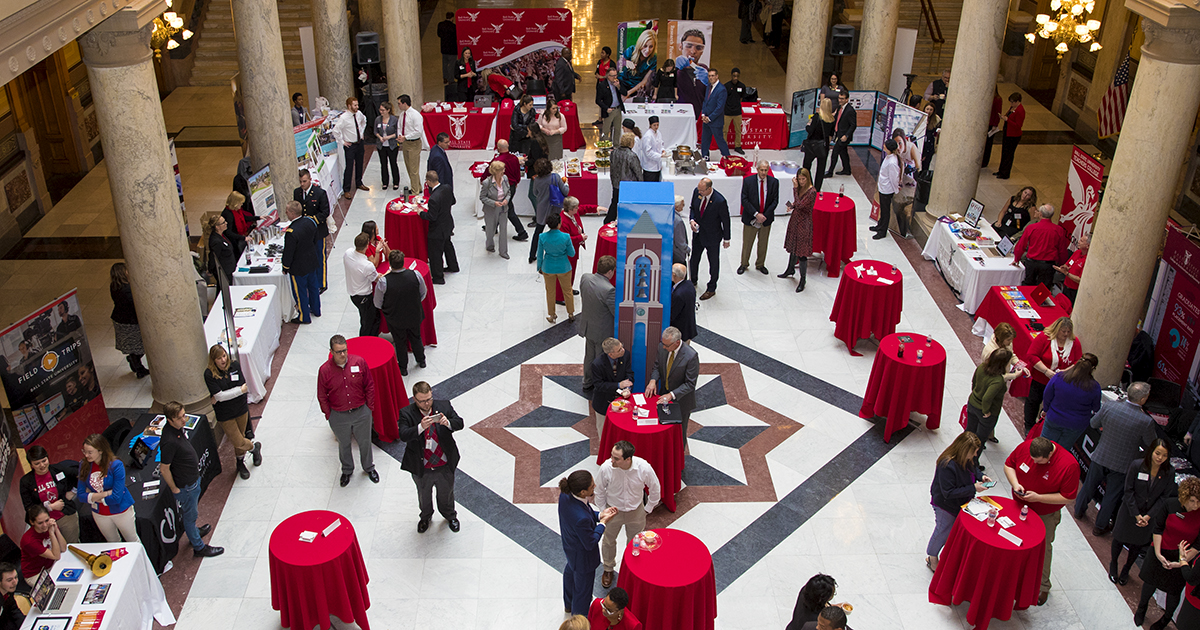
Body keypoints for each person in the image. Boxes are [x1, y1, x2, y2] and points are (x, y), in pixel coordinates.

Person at [1004, 436, 1079, 605]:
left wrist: (1039, 498)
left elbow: (1068, 497)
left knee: (1043, 548)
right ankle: (1013, 575)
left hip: (1045, 514)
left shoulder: (1069, 466)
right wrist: (1015, 484)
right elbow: (1009, 465)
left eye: (1038, 461)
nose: (1034, 464)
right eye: (1032, 459)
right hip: (1019, 506)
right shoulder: (1026, 447)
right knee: (1014, 539)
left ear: (1049, 455)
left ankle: (1043, 586)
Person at [1075, 381, 1157, 533]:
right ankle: (1100, 527)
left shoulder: (1110, 406)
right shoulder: (1146, 421)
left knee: (1088, 486)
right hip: (1122, 464)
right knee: (1111, 497)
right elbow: (1152, 444)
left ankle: (1078, 511)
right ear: (1143, 399)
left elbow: (1093, 423)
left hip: (1101, 455)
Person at [1134, 476, 1200, 628]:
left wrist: (1180, 563)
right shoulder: (1170, 504)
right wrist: (1158, 554)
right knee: (1149, 584)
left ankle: (1165, 620)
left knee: (1173, 593)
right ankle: (1141, 609)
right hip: (1160, 550)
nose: (1196, 505)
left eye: (1199, 501)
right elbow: (1158, 529)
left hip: (1182, 558)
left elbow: (1197, 545)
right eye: (1192, 501)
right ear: (1184, 497)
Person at [159, 401, 223, 557]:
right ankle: (199, 547)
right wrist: (175, 489)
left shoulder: (177, 429)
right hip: (186, 486)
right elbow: (164, 468)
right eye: (180, 418)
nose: (184, 420)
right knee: (189, 517)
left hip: (192, 480)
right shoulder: (169, 441)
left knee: (192, 514)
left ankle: (194, 531)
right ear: (170, 420)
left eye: (184, 415)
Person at [398, 380, 463, 533]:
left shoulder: (444, 406)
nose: (427, 404)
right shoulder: (406, 413)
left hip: (444, 464)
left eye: (429, 399)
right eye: (422, 401)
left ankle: (450, 515)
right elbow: (403, 435)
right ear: (415, 399)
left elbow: (459, 423)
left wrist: (448, 423)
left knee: (446, 494)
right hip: (422, 466)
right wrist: (420, 427)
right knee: (424, 495)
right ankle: (425, 517)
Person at [595, 440, 661, 586]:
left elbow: (655, 488)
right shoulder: (606, 468)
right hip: (613, 511)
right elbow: (599, 490)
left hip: (636, 511)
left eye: (616, 458)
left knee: (635, 542)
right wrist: (603, 511)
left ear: (628, 459)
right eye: (612, 456)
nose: (611, 460)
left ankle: (631, 569)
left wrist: (647, 509)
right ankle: (608, 568)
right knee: (608, 541)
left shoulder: (643, 467)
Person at [1111, 439, 1175, 585]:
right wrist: (1136, 514)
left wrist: (1148, 516)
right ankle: (1113, 564)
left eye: (1164, 455)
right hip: (1129, 511)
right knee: (1119, 538)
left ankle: (1127, 568)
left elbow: (1164, 497)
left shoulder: (1169, 472)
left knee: (1137, 544)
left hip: (1148, 516)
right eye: (1157, 453)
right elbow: (1128, 490)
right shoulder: (1137, 465)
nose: (1160, 458)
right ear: (1151, 451)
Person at [317, 335, 378, 487]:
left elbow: (369, 385)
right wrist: (329, 414)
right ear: (331, 351)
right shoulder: (325, 370)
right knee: (344, 444)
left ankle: (369, 467)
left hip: (361, 412)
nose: (343, 354)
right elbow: (322, 395)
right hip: (338, 415)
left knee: (365, 442)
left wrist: (369, 408)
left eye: (344, 350)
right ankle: (347, 470)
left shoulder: (359, 362)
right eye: (339, 352)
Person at [927, 432, 989, 572]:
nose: (975, 455)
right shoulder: (946, 465)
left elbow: (974, 469)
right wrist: (973, 488)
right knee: (942, 531)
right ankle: (932, 557)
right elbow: (948, 493)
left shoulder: (967, 459)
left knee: (953, 531)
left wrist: (981, 476)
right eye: (974, 452)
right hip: (945, 506)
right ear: (964, 450)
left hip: (962, 502)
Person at [558, 470, 618, 615]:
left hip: (570, 548)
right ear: (583, 492)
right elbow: (590, 542)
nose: (595, 486)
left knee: (570, 574)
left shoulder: (565, 495)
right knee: (583, 593)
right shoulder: (581, 519)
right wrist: (603, 523)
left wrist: (599, 515)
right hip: (583, 558)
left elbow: (584, 511)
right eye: (592, 486)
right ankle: (579, 618)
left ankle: (568, 604)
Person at [204, 344, 263, 480]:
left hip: (240, 409)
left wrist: (225, 395)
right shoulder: (209, 374)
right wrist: (237, 391)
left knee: (240, 436)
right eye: (219, 358)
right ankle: (254, 448)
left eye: (224, 356)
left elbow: (242, 387)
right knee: (237, 440)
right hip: (225, 414)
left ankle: (240, 462)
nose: (223, 360)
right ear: (213, 360)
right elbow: (220, 396)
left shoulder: (234, 366)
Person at [1022, 316, 1082, 435]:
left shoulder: (1074, 342)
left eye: (1068, 331)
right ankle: (1029, 425)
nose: (1066, 334)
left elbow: (1078, 361)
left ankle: (1043, 426)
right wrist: (1046, 371)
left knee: (1052, 405)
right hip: (1041, 379)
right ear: (1056, 329)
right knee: (1033, 401)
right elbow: (1032, 356)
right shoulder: (1044, 338)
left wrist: (1065, 371)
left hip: (1061, 382)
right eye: (1063, 331)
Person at [374, 250, 427, 376]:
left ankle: (403, 368)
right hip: (414, 314)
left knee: (399, 342)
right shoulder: (416, 275)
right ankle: (421, 361)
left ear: (390, 264)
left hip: (395, 318)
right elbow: (423, 293)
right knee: (416, 337)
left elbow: (377, 303)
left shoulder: (383, 282)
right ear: (403, 262)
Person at [78, 433, 138, 543]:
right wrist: (105, 494)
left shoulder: (116, 465)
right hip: (99, 513)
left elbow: (116, 497)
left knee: (132, 541)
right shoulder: (84, 465)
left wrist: (92, 497)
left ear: (100, 451)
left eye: (90, 452)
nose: (86, 455)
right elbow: (81, 495)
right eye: (84, 451)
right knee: (113, 543)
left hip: (121, 511)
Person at [645, 326, 700, 445]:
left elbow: (690, 384)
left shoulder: (691, 356)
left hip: (681, 400)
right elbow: (657, 366)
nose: (664, 347)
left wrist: (671, 395)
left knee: (679, 434)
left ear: (677, 343)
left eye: (667, 345)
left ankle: (678, 455)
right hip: (663, 394)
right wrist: (653, 380)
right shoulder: (662, 347)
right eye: (663, 344)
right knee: (662, 429)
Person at [1040, 352, 1101, 449]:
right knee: (1062, 451)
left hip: (1054, 418)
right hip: (1076, 424)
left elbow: (1047, 395)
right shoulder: (1095, 387)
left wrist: (1045, 409)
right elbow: (1096, 407)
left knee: (1043, 447)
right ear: (1093, 368)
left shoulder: (1059, 377)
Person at [19, 446, 78, 544]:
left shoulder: (59, 469)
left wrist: (73, 491)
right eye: (37, 463)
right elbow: (29, 507)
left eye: (44, 461)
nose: (42, 465)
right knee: (52, 548)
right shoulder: (26, 481)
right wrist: (50, 507)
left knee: (72, 545)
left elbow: (80, 475)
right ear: (31, 465)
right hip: (43, 524)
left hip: (66, 517)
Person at [965, 349, 1013, 471]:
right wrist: (986, 411)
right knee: (979, 440)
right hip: (985, 413)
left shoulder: (981, 367)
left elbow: (974, 382)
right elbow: (987, 398)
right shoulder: (998, 380)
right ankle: (973, 464)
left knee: (969, 433)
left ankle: (962, 457)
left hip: (973, 403)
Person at [579, 256, 617, 395]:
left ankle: (587, 382)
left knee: (589, 356)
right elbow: (615, 312)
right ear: (610, 271)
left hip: (588, 326)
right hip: (602, 331)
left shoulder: (585, 278)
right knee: (600, 359)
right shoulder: (609, 290)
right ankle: (599, 385)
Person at [688, 178, 731, 301]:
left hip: (712, 236)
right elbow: (693, 208)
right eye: (699, 190)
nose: (699, 192)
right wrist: (692, 220)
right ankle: (693, 280)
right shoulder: (697, 192)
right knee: (694, 259)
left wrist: (727, 238)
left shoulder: (720, 201)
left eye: (702, 191)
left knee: (713, 262)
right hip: (698, 234)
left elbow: (725, 220)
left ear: (709, 189)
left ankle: (711, 288)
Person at [1011, 205, 1069, 290]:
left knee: (1027, 288)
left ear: (1040, 214)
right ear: (1052, 215)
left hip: (1031, 263)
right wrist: (1061, 265)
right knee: (1042, 290)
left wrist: (1017, 259)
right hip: (1048, 266)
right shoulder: (1059, 230)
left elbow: (1021, 245)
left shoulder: (1031, 228)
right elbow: (1062, 250)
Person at [282, 200, 322, 324]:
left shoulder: (291, 232)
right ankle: (316, 309)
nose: (286, 213)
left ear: (292, 213)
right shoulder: (310, 221)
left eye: (287, 211)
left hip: (298, 267)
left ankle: (304, 316)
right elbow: (315, 239)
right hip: (311, 261)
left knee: (300, 292)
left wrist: (285, 266)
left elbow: (289, 252)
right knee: (313, 287)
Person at [738, 160, 779, 274]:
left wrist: (764, 215)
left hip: (766, 219)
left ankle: (760, 264)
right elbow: (744, 200)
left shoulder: (774, 182)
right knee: (747, 243)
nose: (763, 172)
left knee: (763, 243)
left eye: (766, 170)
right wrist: (756, 214)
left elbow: (775, 201)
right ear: (757, 169)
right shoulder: (748, 181)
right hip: (751, 217)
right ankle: (744, 264)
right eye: (761, 170)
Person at [109, 262, 149, 378]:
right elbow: (135, 304)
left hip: (120, 319)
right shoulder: (127, 290)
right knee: (140, 345)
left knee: (133, 345)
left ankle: (134, 361)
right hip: (130, 322)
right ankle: (138, 367)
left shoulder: (114, 286)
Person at [780, 168, 816, 292]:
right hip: (796, 220)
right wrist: (791, 205)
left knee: (802, 252)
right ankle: (790, 269)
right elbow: (797, 203)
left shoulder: (812, 191)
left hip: (804, 224)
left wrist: (795, 189)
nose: (801, 182)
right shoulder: (801, 188)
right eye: (799, 179)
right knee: (793, 247)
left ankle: (803, 279)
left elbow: (801, 205)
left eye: (803, 179)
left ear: (808, 178)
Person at [420, 170, 459, 285]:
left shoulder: (433, 198)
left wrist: (420, 213)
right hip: (448, 224)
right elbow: (453, 201)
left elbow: (431, 217)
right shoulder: (447, 188)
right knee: (447, 245)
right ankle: (453, 266)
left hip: (437, 230)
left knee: (435, 253)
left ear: (428, 182)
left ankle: (438, 277)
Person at [294, 168, 331, 289]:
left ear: (310, 179)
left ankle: (321, 284)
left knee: (319, 257)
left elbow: (325, 212)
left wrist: (311, 221)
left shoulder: (320, 193)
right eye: (300, 181)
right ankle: (311, 282)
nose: (302, 184)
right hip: (304, 233)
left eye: (304, 181)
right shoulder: (297, 193)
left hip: (317, 231)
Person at [529, 158, 571, 263]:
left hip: (542, 209)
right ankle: (559, 252)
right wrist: (566, 184)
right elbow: (565, 192)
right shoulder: (555, 177)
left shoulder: (537, 180)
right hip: (555, 208)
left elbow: (535, 193)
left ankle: (532, 255)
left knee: (538, 232)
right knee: (557, 232)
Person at [538, 214, 577, 324]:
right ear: (559, 224)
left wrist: (539, 267)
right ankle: (570, 313)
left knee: (550, 292)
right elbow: (572, 253)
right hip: (564, 267)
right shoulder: (566, 237)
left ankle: (552, 315)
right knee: (568, 291)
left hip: (548, 267)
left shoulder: (542, 237)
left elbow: (539, 254)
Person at [591, 338, 632, 434]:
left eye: (622, 346)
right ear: (611, 354)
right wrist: (618, 385)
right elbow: (599, 385)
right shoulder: (597, 364)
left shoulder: (625, 355)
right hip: (603, 402)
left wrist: (627, 388)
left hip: (621, 401)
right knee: (603, 431)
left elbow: (629, 373)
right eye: (619, 350)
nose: (623, 350)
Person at [344, 233, 382, 337]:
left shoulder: (348, 253)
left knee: (367, 319)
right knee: (369, 322)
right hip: (364, 297)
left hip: (353, 293)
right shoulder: (367, 265)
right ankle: (368, 340)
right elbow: (376, 279)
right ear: (367, 246)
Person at [492, 140, 530, 241]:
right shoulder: (514, 158)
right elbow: (517, 173)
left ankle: (522, 232)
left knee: (508, 210)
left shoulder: (497, 161)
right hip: (512, 186)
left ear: (499, 148)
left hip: (502, 188)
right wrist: (516, 182)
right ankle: (493, 227)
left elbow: (489, 172)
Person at [19, 505, 65, 585]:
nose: (45, 525)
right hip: (35, 574)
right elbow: (56, 556)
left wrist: (56, 529)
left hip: (50, 565)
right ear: (32, 522)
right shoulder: (29, 541)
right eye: (40, 523)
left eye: (47, 520)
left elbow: (63, 548)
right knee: (57, 587)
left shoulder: (49, 526)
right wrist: (51, 533)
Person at [334, 97, 369, 197]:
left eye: (357, 105)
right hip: (350, 145)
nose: (357, 107)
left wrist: (361, 132)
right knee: (349, 167)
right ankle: (347, 189)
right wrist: (342, 141)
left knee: (360, 163)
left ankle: (359, 182)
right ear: (349, 106)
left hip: (359, 143)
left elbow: (364, 120)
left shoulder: (359, 114)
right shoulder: (343, 118)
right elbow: (336, 131)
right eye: (355, 105)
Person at [606, 132, 643, 223]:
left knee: (614, 202)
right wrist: (641, 184)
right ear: (630, 143)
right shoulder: (632, 156)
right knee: (628, 205)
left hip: (616, 183)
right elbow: (638, 171)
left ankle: (608, 221)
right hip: (628, 185)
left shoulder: (614, 153)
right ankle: (627, 222)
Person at [479, 160, 511, 259]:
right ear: (496, 171)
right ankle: (489, 245)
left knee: (503, 229)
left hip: (503, 208)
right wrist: (494, 203)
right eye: (502, 169)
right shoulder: (487, 183)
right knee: (490, 229)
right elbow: (482, 197)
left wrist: (506, 200)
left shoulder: (505, 178)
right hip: (491, 209)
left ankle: (503, 251)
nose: (504, 171)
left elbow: (508, 192)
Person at [560, 197, 586, 305]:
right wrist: (580, 238)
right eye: (576, 207)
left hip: (574, 250)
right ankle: (559, 296)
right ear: (570, 209)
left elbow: (585, 208)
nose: (578, 209)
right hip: (567, 251)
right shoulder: (563, 221)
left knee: (572, 270)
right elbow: (565, 239)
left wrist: (597, 208)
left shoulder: (573, 214)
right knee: (565, 273)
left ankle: (568, 288)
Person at [396, 95, 424, 195]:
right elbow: (399, 127)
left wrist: (406, 137)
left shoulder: (415, 115)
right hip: (406, 143)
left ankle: (415, 191)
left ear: (405, 103)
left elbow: (418, 131)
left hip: (414, 143)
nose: (398, 105)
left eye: (399, 103)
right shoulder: (402, 115)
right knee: (409, 166)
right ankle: (417, 187)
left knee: (413, 168)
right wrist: (400, 135)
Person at [872, 139, 901, 240]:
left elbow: (894, 178)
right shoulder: (888, 157)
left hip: (887, 189)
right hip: (883, 187)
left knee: (885, 211)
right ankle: (880, 225)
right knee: (883, 209)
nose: (883, 146)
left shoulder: (892, 162)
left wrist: (896, 189)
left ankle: (882, 231)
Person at [802, 99, 833, 192]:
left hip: (812, 145)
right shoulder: (832, 119)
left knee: (806, 166)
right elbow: (831, 135)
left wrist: (808, 124)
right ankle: (817, 189)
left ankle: (810, 184)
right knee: (821, 169)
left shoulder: (816, 117)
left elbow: (810, 130)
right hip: (823, 146)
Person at [699, 68, 729, 161]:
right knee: (705, 140)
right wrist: (703, 114)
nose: (711, 78)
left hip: (715, 121)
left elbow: (720, 107)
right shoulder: (708, 86)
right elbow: (705, 101)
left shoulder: (721, 89)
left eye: (712, 76)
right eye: (709, 76)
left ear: (717, 76)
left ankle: (728, 158)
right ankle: (705, 157)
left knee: (719, 140)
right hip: (706, 119)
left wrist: (710, 118)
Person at [619, 29, 658, 100]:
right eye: (645, 46)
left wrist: (628, 94)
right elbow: (617, 65)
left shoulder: (654, 59)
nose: (647, 50)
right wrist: (625, 62)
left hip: (636, 89)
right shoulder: (631, 50)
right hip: (622, 84)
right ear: (640, 44)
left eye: (651, 47)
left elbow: (645, 81)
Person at [995, 92, 1026, 179]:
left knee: (1009, 155)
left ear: (1018, 101)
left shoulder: (1020, 111)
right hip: (1007, 132)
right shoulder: (1012, 107)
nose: (1011, 104)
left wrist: (1007, 120)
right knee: (1004, 153)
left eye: (1012, 102)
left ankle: (1005, 173)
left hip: (1013, 136)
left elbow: (1018, 125)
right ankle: (1001, 171)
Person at [825, 92, 856, 178]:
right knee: (843, 153)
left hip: (844, 136)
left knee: (835, 153)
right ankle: (847, 169)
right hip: (839, 134)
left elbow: (853, 125)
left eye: (842, 99)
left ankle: (830, 172)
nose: (840, 100)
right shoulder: (839, 108)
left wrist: (846, 135)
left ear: (847, 99)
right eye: (839, 98)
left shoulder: (850, 110)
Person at [220, 190, 256, 260]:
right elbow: (228, 232)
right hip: (233, 241)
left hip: (238, 237)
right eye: (240, 203)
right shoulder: (228, 215)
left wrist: (258, 217)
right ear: (235, 203)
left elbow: (245, 218)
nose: (242, 205)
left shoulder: (236, 210)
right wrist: (243, 238)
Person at [1054, 233, 1090, 304]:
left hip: (1075, 291)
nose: (1078, 242)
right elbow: (1069, 263)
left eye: (1081, 241)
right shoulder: (1077, 252)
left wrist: (1067, 273)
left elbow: (1080, 280)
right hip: (1066, 286)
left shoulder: (1087, 260)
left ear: (1088, 246)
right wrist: (1065, 267)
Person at [204, 213, 238, 284]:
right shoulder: (216, 241)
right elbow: (213, 256)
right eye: (223, 222)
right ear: (217, 227)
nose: (226, 223)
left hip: (230, 267)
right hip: (225, 271)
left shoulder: (221, 235)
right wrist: (210, 270)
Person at [374, 102, 400, 191]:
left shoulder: (394, 120)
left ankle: (396, 182)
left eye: (383, 110)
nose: (381, 112)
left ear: (388, 110)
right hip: (381, 146)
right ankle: (385, 182)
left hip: (392, 145)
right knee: (383, 164)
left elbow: (397, 132)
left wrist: (389, 137)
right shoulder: (378, 119)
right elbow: (375, 131)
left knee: (393, 163)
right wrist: (380, 137)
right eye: (380, 110)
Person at [670, 264, 697, 343]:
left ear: (674, 275)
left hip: (681, 332)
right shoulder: (689, 284)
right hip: (688, 327)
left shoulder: (679, 295)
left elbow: (672, 315)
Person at [723, 69, 748, 155]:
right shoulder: (726, 86)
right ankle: (724, 146)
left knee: (738, 130)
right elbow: (723, 98)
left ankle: (738, 146)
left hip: (737, 112)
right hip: (727, 112)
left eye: (737, 76)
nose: (735, 78)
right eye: (734, 76)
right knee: (724, 130)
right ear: (731, 76)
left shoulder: (742, 86)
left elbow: (741, 98)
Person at [598, 68, 626, 143]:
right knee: (606, 130)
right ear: (608, 76)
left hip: (618, 109)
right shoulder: (602, 85)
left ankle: (616, 145)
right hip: (609, 110)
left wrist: (618, 86)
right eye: (612, 76)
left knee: (617, 129)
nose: (615, 77)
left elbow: (625, 93)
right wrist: (606, 108)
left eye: (616, 75)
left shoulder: (618, 82)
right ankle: (605, 145)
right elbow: (598, 100)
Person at [638, 116, 664, 181]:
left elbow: (661, 144)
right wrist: (660, 156)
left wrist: (663, 150)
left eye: (657, 125)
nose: (656, 127)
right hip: (649, 167)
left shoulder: (658, 133)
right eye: (654, 125)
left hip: (657, 166)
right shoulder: (648, 136)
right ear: (650, 125)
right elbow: (648, 152)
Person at [982, 87, 1002, 168]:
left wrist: (995, 124)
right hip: (985, 123)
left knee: (988, 143)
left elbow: (998, 112)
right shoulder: (988, 97)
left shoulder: (997, 99)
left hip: (991, 124)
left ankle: (985, 161)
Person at [593, 47, 614, 125]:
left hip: (608, 85)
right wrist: (597, 75)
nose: (601, 54)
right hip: (600, 84)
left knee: (607, 101)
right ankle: (600, 118)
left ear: (607, 54)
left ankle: (609, 118)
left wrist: (602, 77)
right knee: (600, 101)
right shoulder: (599, 62)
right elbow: (597, 71)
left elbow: (612, 75)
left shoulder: (611, 63)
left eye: (603, 53)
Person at [0, 563, 24, 630]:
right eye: (9, 580)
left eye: (16, 577)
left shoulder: (9, 590)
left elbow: (14, 609)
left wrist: (25, 625)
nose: (15, 582)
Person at [920, 102, 941, 173]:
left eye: (931, 110)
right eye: (927, 109)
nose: (929, 111)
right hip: (921, 143)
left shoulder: (936, 119)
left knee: (926, 165)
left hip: (929, 146)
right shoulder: (921, 117)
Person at [437, 12, 456, 86]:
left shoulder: (440, 24)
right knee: (451, 65)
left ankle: (445, 77)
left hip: (444, 48)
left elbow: (439, 34)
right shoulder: (454, 26)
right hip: (452, 49)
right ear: (452, 18)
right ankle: (451, 79)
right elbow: (456, 36)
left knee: (444, 64)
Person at [672, 196, 690, 265]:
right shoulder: (678, 221)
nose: (684, 206)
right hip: (678, 254)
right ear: (677, 206)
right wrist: (687, 249)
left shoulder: (670, 216)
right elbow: (680, 241)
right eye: (682, 204)